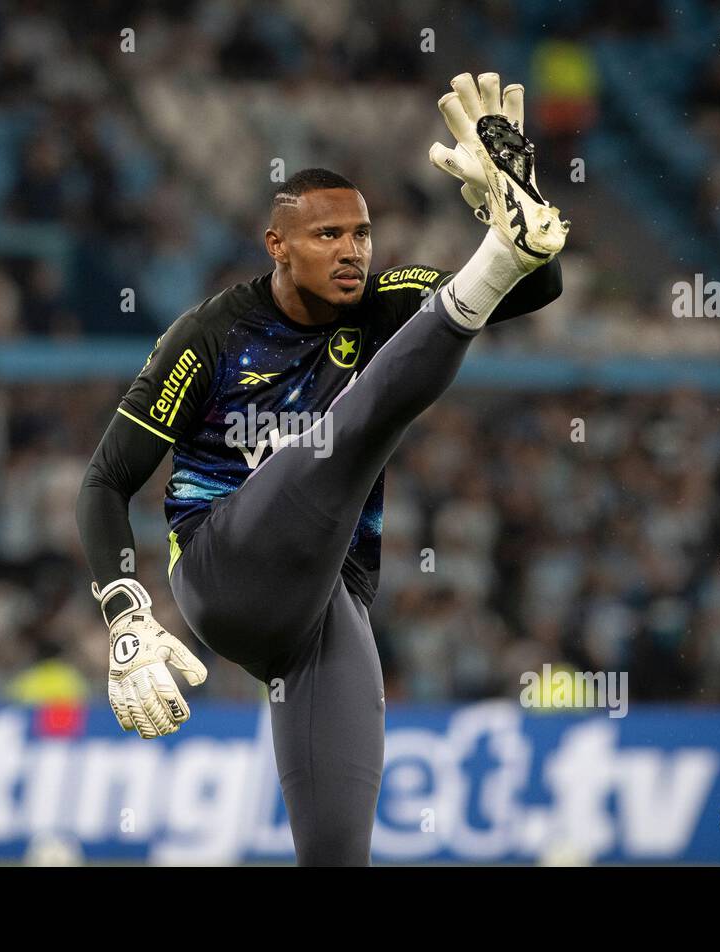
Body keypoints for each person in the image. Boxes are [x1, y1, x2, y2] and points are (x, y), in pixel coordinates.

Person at [76, 72, 568, 864]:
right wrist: (126, 610)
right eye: (327, 236)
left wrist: (513, 197)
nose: (352, 253)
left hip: (321, 608)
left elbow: (541, 282)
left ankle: (494, 245)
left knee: (339, 852)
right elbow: (104, 481)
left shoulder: (381, 303)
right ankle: (490, 255)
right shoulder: (206, 336)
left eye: (361, 235)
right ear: (278, 246)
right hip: (224, 573)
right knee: (348, 431)